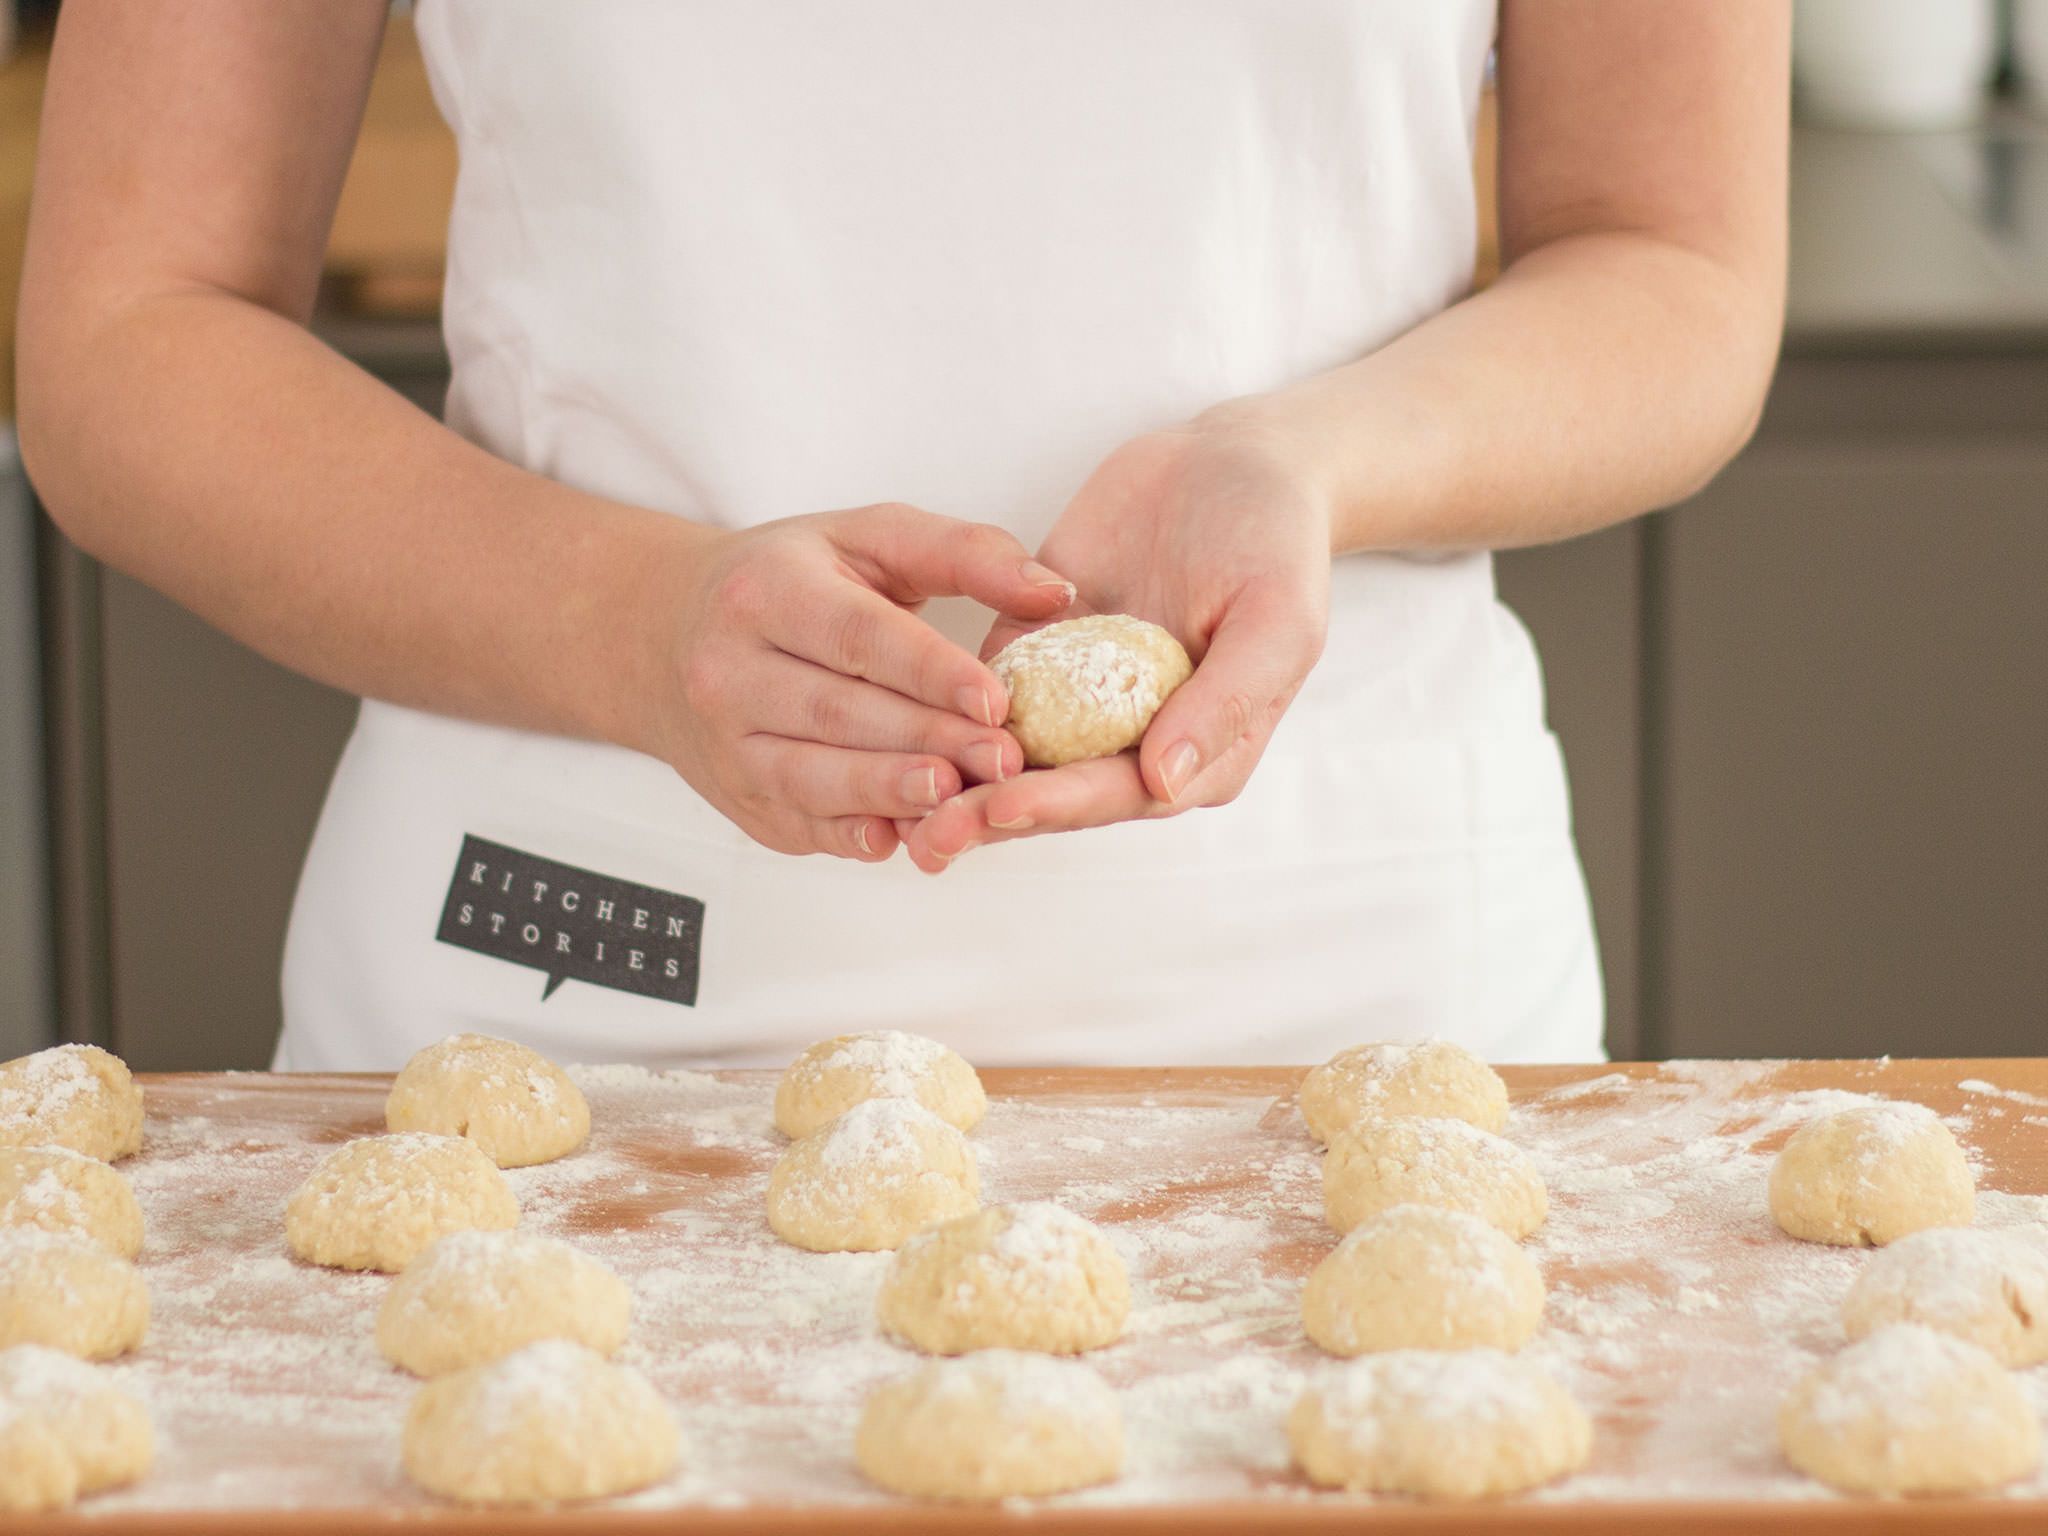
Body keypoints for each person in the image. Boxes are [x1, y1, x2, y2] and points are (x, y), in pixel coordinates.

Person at [17, 3, 1788, 1072]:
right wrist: (633, 623)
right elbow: (126, 333)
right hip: (573, 1003)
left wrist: (1314, 458)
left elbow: (1674, 260)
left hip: (1351, 999)